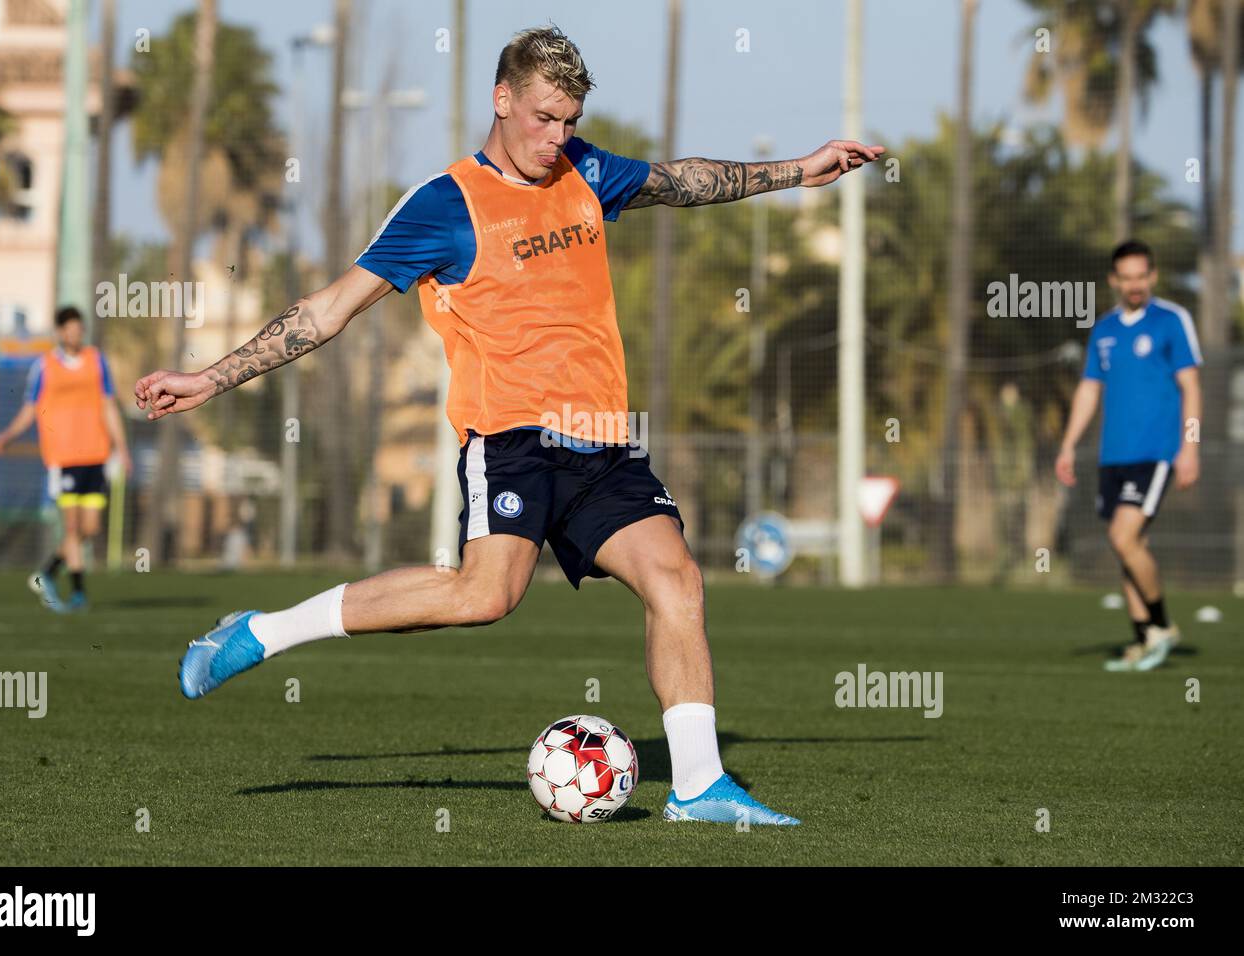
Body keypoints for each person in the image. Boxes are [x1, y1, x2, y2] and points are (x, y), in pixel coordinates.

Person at [135, 25, 884, 824]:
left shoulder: (585, 169)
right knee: (483, 596)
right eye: (543, 118)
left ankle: (698, 784)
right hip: (512, 439)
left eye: (569, 121)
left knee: (678, 580)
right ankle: (264, 632)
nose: (557, 137)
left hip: (604, 441)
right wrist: (208, 379)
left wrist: (798, 170)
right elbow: (326, 311)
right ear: (502, 99)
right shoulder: (445, 204)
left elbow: (682, 182)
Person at [1055, 240, 1202, 671]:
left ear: (1152, 276)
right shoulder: (1104, 330)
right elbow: (1089, 389)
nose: (1135, 285)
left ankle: (1162, 625)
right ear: (1114, 280)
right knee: (1129, 547)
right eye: (1127, 278)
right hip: (1112, 456)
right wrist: (1068, 444)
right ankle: (1144, 641)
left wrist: (1190, 447)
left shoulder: (1171, 321)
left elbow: (1191, 387)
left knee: (1123, 536)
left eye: (1142, 276)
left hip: (1155, 452)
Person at [0, 305, 132, 611]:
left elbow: (109, 405)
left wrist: (121, 448)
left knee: (90, 529)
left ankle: (46, 572)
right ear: (60, 332)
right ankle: (79, 593)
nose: (75, 334)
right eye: (69, 329)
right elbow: (30, 408)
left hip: (96, 453)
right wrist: (8, 435)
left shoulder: (96, 360)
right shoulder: (44, 366)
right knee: (72, 528)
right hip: (63, 456)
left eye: (79, 329)